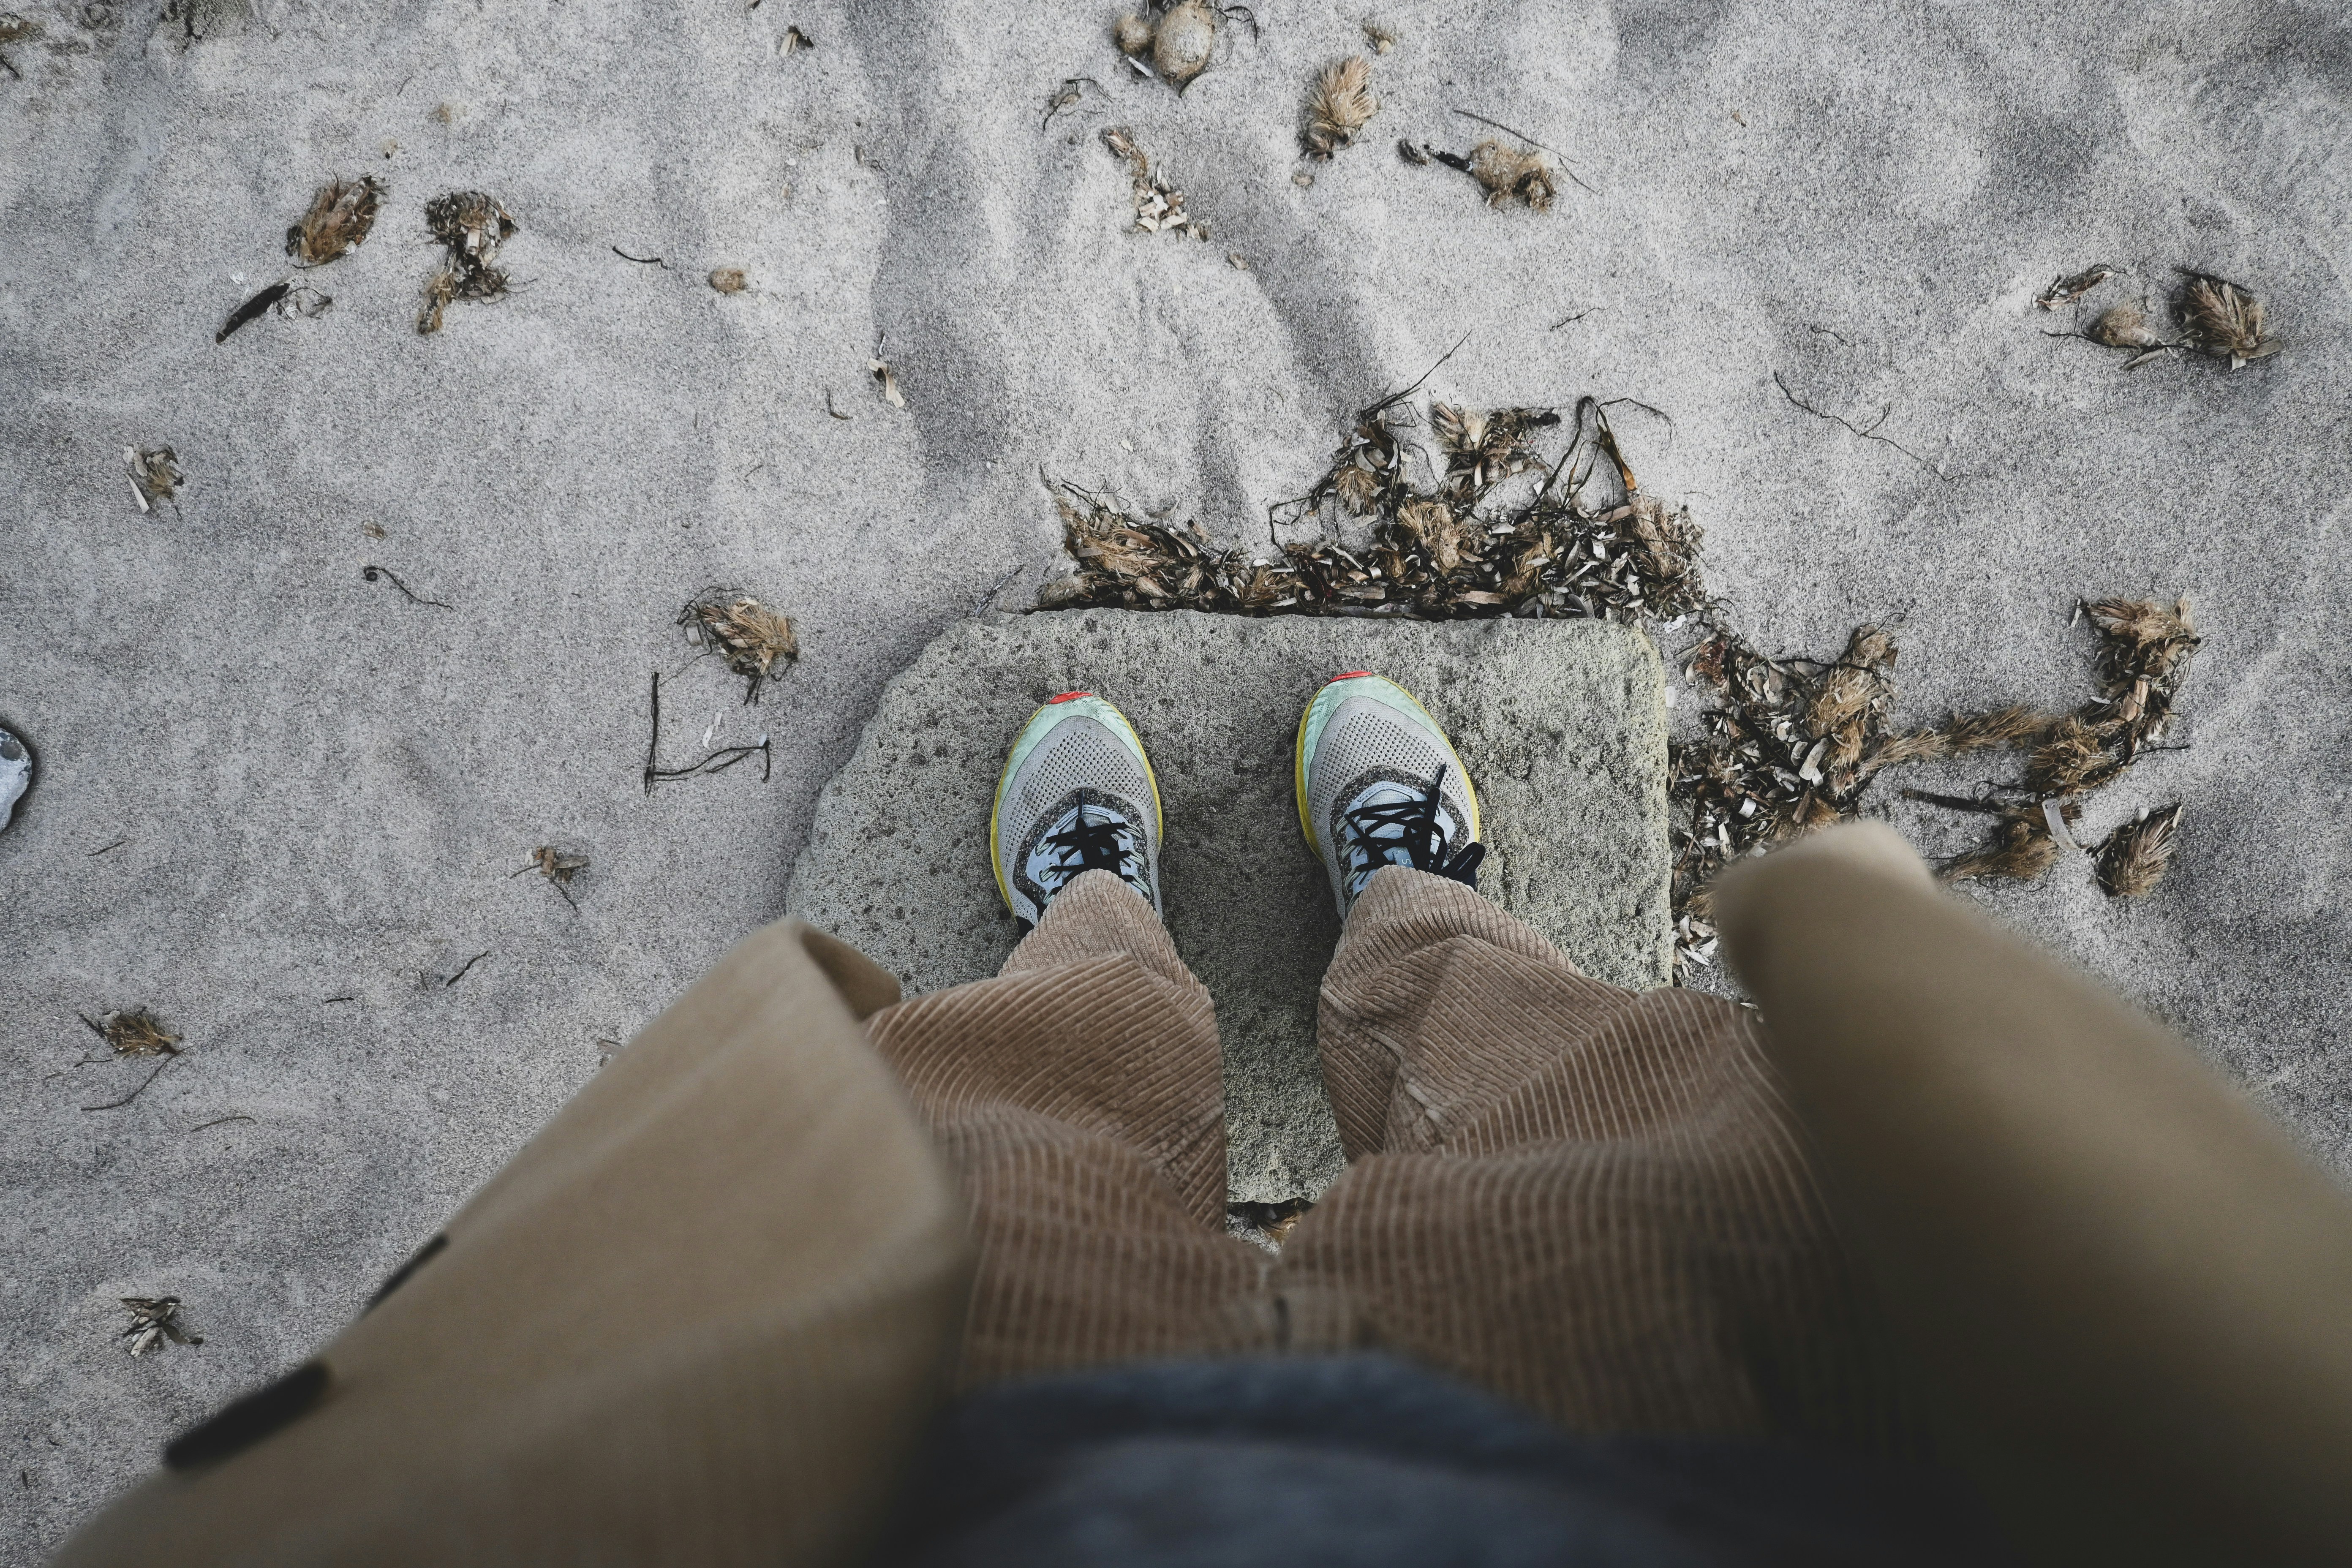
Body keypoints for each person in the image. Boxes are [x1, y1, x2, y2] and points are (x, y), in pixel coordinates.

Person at [53, 676, 2352, 1566]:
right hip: (1710, 1455)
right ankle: (1417, 907)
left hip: (899, 1489)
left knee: (982, 1115)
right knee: (1591, 1092)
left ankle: (1111, 936)